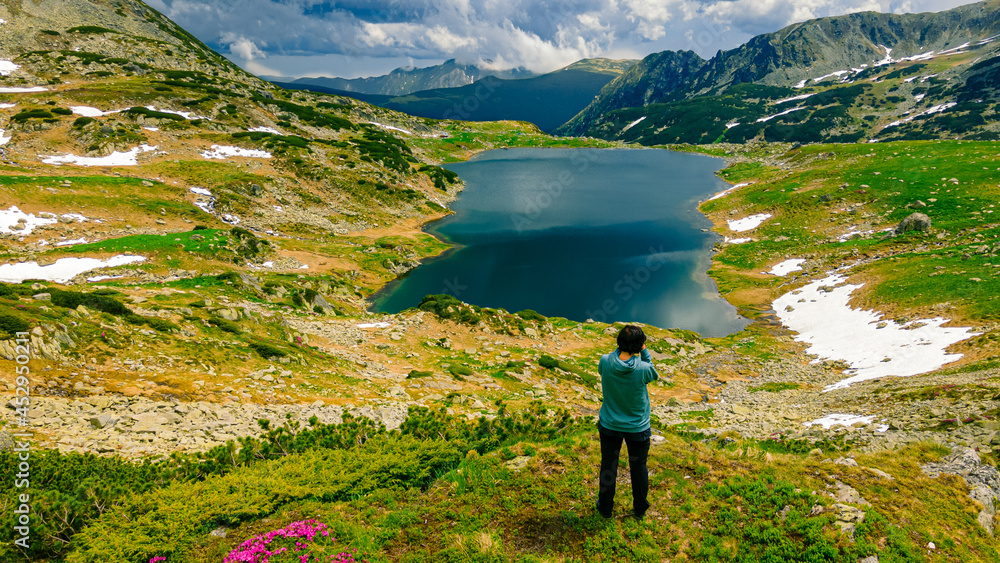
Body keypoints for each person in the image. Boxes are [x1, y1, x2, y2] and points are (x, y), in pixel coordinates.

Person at [595, 324, 659, 519]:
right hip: (637, 426)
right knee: (638, 468)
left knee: (608, 466)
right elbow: (654, 374)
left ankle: (605, 508)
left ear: (619, 341)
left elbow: (604, 370)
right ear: (639, 345)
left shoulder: (605, 361)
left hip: (610, 424)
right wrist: (644, 351)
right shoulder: (643, 368)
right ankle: (639, 510)